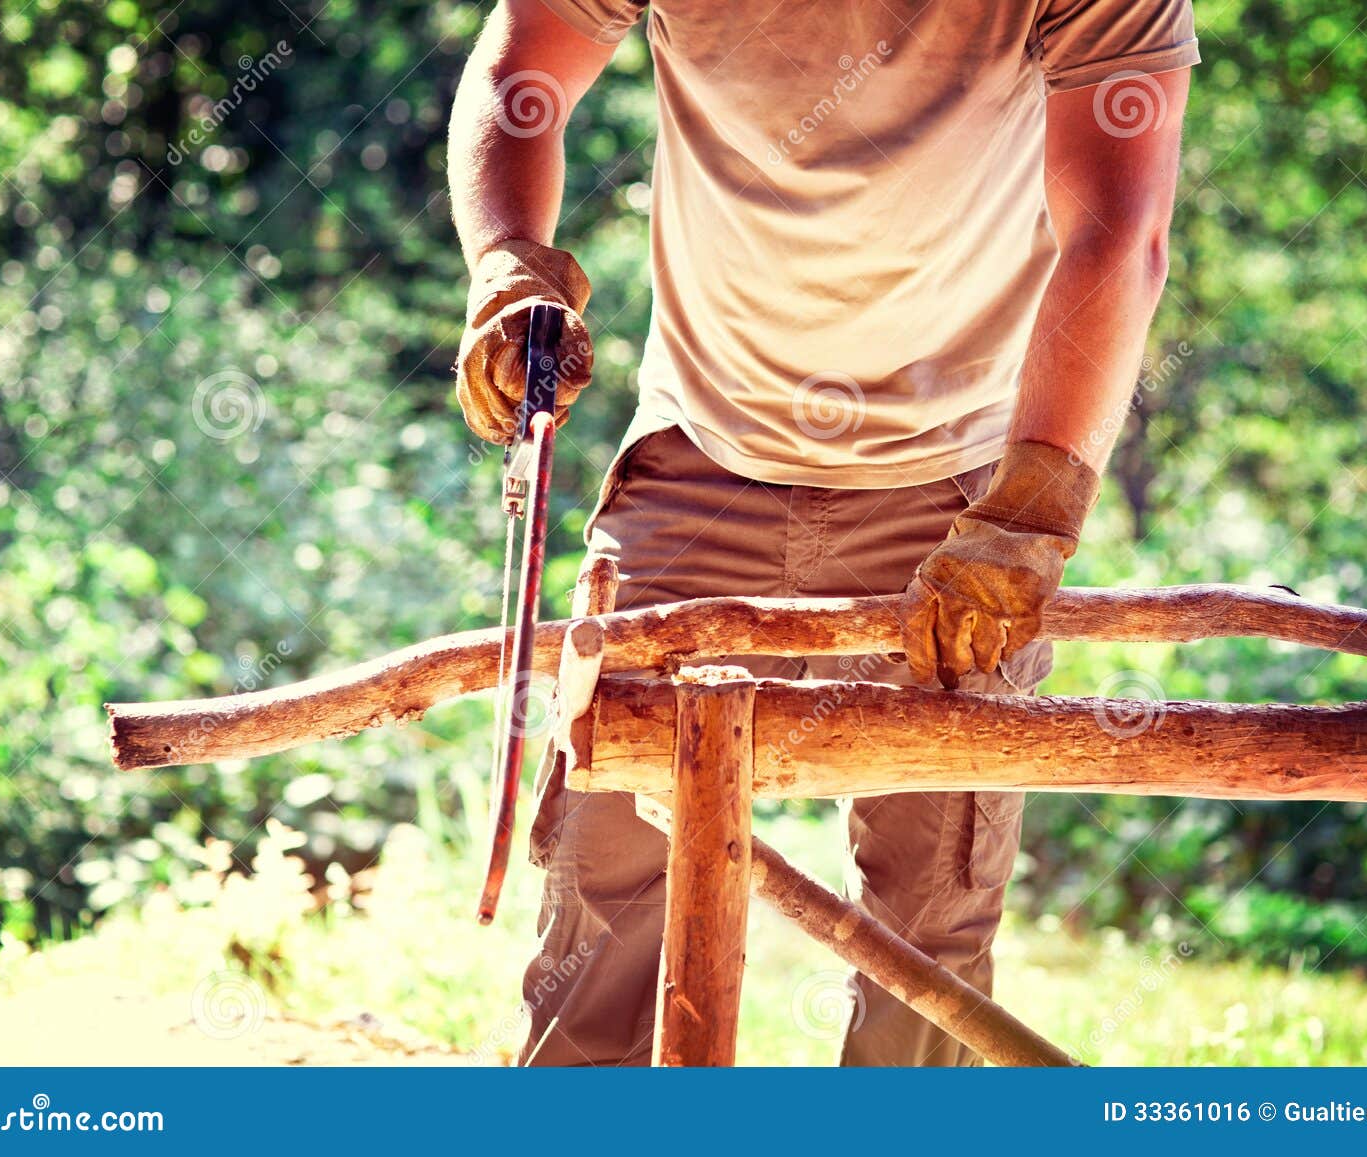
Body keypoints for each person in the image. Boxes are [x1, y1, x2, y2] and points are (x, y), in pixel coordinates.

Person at [448, 0, 1197, 1066]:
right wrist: (507, 262)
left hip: (961, 497)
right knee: (605, 895)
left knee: (928, 935)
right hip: (698, 462)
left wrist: (1033, 503)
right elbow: (522, 67)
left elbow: (1120, 229)